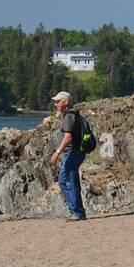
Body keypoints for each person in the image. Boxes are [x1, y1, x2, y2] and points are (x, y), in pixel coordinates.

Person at [48, 91, 86, 221]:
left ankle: (77, 212)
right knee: (67, 180)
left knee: (66, 181)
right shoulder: (71, 114)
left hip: (72, 152)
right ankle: (76, 211)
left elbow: (68, 137)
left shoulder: (69, 116)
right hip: (74, 152)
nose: (55, 104)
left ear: (66, 102)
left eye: (58, 102)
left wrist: (57, 152)